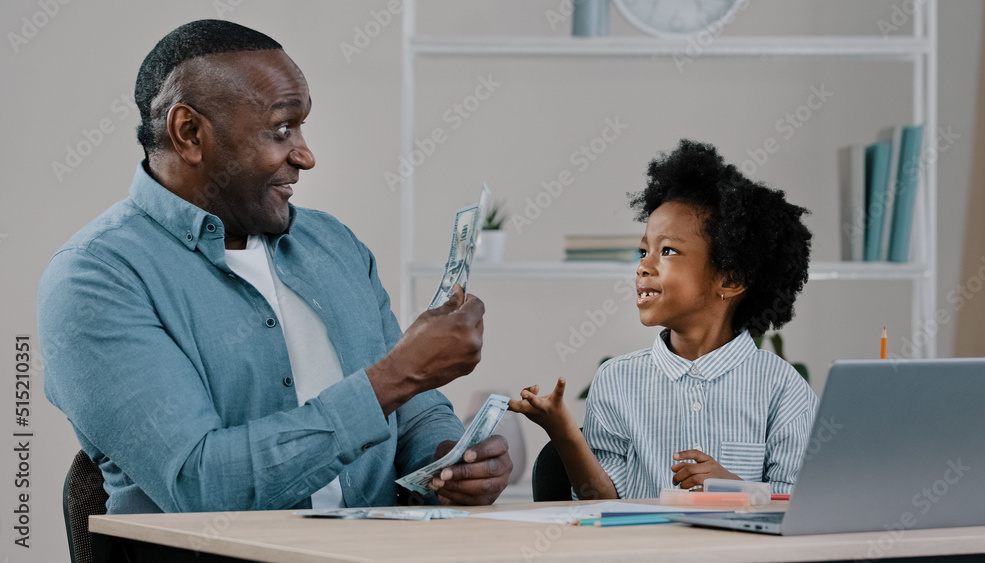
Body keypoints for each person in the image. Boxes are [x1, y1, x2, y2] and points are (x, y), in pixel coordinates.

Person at [39, 19, 511, 514]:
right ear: (189, 133)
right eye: (282, 129)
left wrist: (450, 460)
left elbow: (412, 412)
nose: (305, 155)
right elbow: (200, 484)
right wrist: (398, 376)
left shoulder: (334, 245)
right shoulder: (96, 278)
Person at [508, 139, 817, 498]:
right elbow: (601, 501)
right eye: (644, 251)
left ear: (730, 279)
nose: (643, 266)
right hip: (643, 555)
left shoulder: (783, 389)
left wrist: (736, 489)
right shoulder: (616, 380)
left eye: (667, 251)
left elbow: (800, 505)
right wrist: (563, 432)